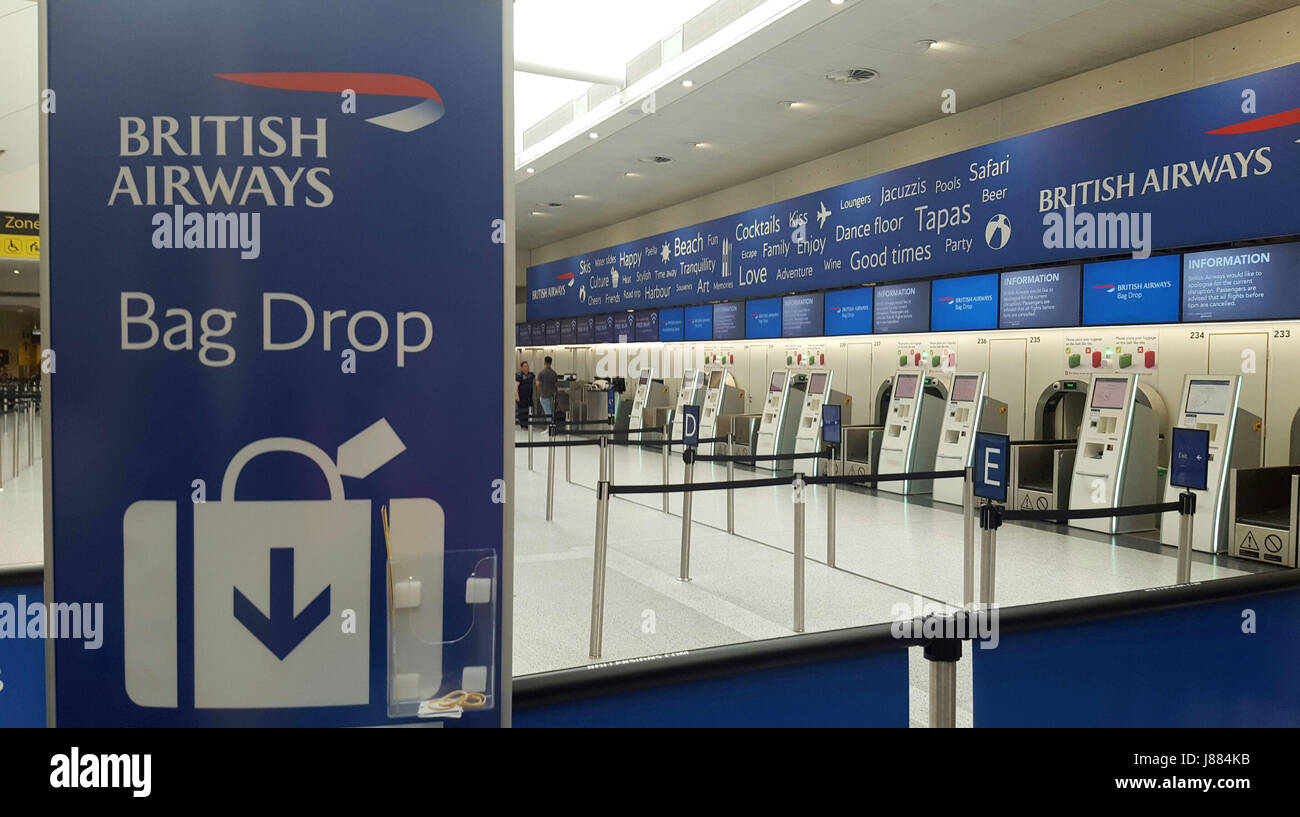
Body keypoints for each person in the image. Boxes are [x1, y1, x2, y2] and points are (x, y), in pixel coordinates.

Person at [537, 356, 558, 422]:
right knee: (551, 412)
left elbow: (537, 384)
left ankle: (549, 428)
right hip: (552, 395)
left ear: (544, 362)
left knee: (547, 412)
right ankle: (551, 427)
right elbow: (556, 384)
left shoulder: (541, 373)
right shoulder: (554, 373)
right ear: (551, 363)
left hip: (544, 395)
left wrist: (541, 390)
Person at [515, 361, 535, 429]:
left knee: (529, 410)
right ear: (522, 368)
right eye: (525, 366)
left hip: (529, 397)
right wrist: (516, 395)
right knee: (522, 411)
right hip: (521, 396)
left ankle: (528, 424)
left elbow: (535, 381)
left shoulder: (531, 375)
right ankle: (523, 425)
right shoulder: (519, 375)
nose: (527, 367)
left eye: (527, 366)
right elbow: (516, 386)